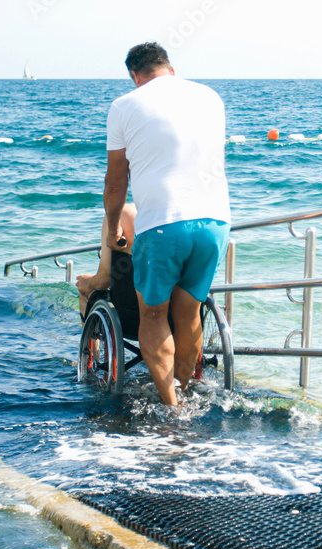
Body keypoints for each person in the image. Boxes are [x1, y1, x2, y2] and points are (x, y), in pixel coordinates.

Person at [103, 42, 231, 406]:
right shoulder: (210, 97)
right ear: (170, 68)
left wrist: (113, 229)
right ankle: (186, 392)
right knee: (189, 312)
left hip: (162, 223)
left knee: (154, 314)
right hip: (215, 220)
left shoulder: (125, 105)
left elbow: (115, 184)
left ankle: (171, 408)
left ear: (134, 75)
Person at [76, 202, 136, 316]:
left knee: (85, 291)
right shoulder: (178, 217)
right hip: (174, 318)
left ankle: (91, 334)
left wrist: (87, 282)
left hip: (129, 317)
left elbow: (103, 280)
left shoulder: (122, 213)